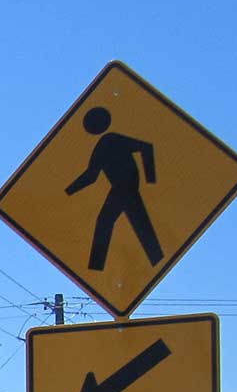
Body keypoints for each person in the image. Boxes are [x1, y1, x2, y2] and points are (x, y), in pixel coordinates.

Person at [64, 106, 163, 271]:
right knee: (128, 224)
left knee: (109, 222)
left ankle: (96, 267)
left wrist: (150, 180)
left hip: (126, 188)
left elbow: (146, 147)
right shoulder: (102, 145)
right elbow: (91, 176)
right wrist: (68, 192)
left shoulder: (111, 139)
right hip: (120, 189)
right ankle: (97, 267)